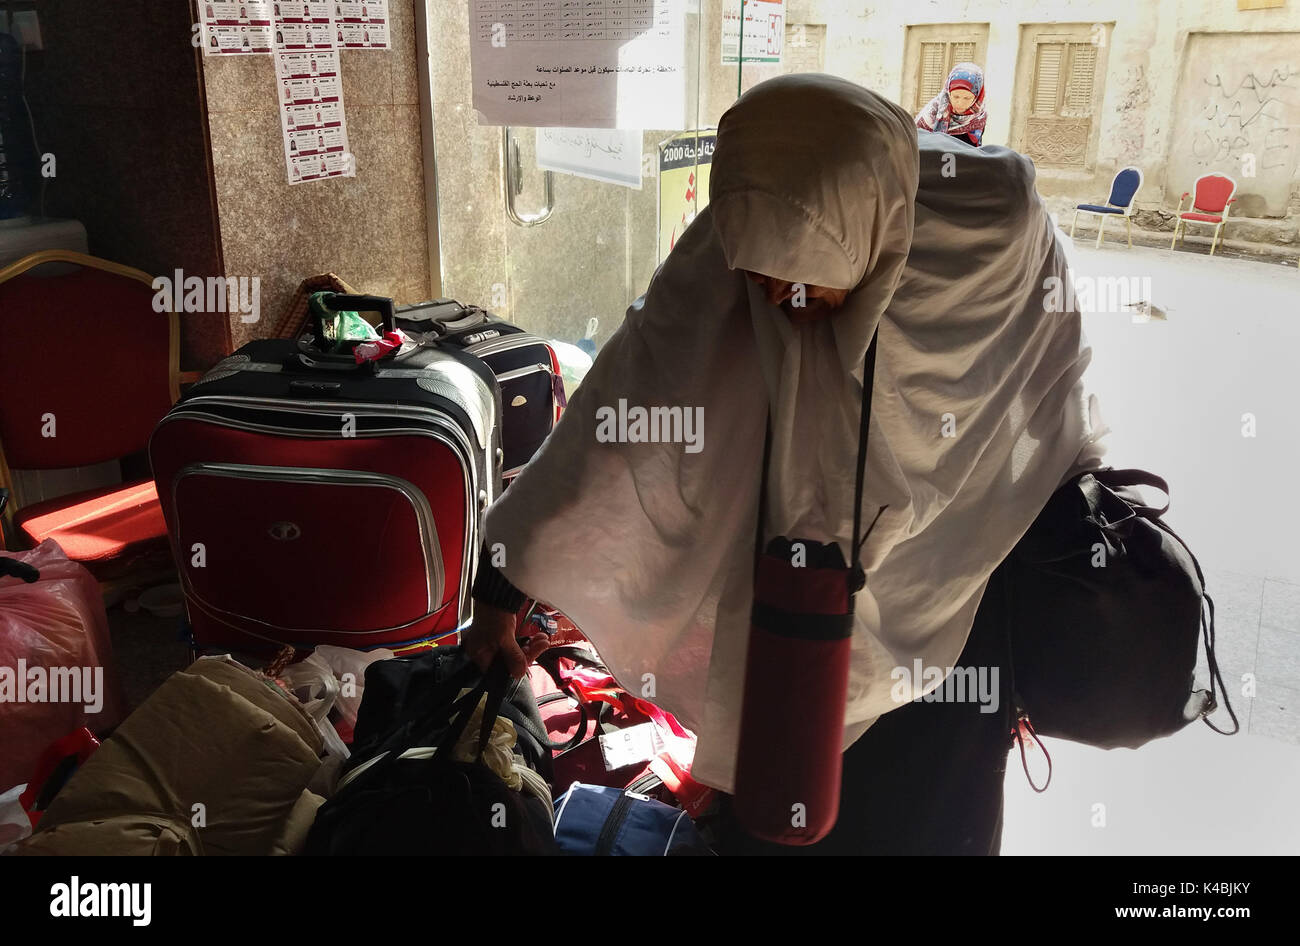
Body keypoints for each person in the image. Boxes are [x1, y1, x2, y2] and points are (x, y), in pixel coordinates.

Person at [465, 74, 1107, 854]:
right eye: (759, 270)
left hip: (963, 597)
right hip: (792, 615)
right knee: (777, 814)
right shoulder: (748, 222)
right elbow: (625, 405)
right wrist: (502, 586)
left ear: (873, 222)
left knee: (928, 819)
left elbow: (1049, 386)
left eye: (798, 271)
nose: (774, 291)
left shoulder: (994, 229)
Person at [915, 62, 987, 146]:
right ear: (948, 93)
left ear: (977, 97)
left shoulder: (979, 117)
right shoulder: (930, 114)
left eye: (967, 98)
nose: (960, 103)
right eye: (956, 97)